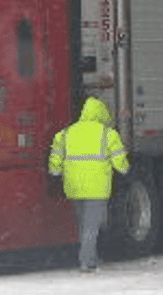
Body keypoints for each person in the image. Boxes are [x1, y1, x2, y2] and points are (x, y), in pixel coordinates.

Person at [48, 96, 130, 272]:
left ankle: (90, 257)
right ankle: (86, 261)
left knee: (83, 224)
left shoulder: (67, 133)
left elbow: (55, 157)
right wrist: (124, 169)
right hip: (97, 187)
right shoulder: (108, 134)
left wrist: (55, 172)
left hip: (74, 186)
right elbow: (120, 162)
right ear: (102, 114)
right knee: (92, 225)